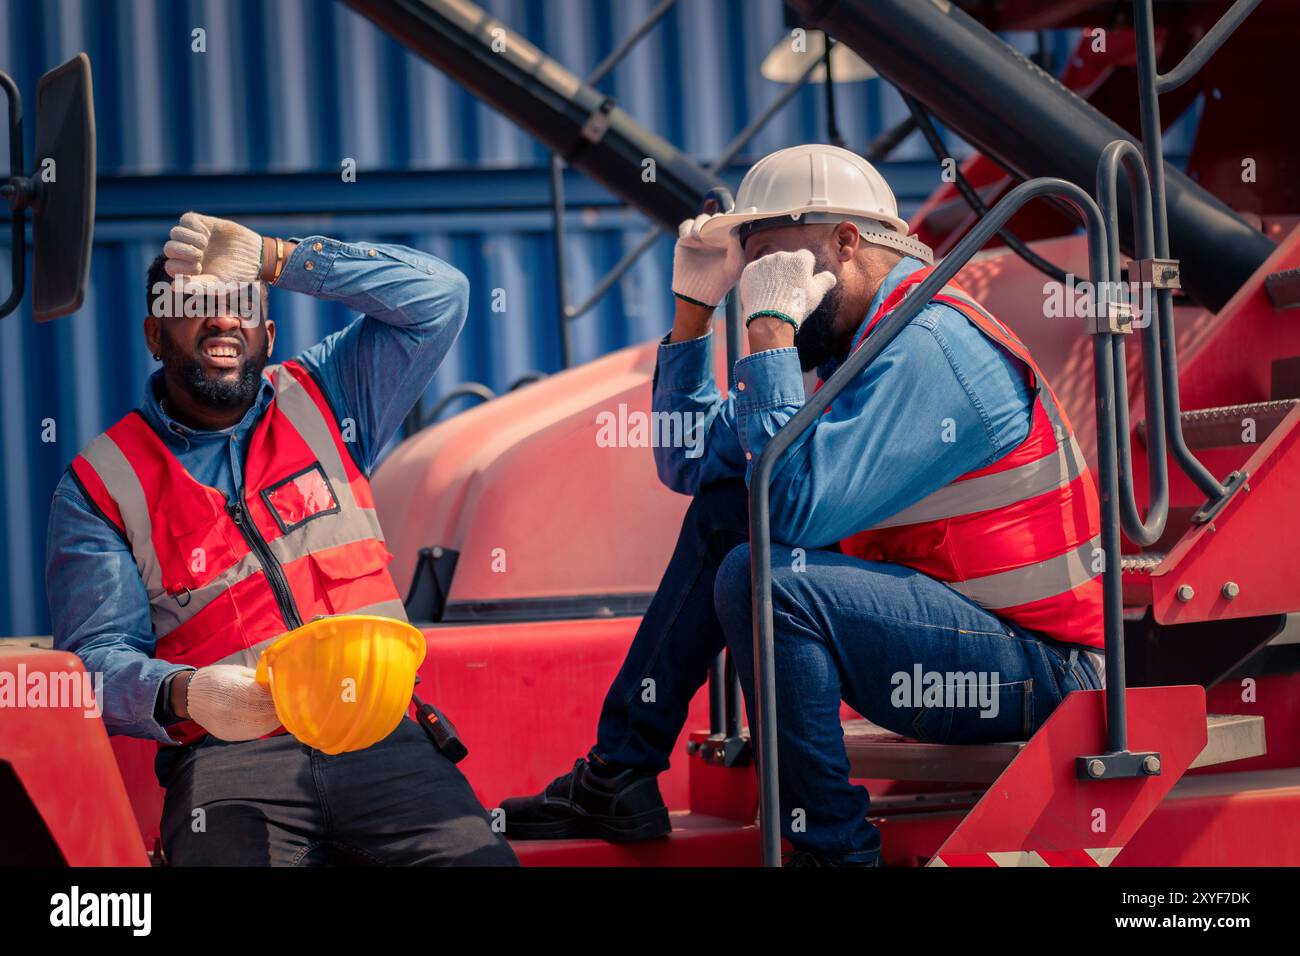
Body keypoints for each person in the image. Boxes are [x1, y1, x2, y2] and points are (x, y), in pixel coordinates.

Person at [501, 145, 1104, 866]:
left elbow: (792, 515)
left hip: (1041, 670)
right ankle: (619, 774)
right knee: (727, 508)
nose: (760, 288)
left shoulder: (933, 344)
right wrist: (695, 314)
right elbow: (694, 462)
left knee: (769, 582)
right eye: (749, 271)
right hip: (955, 633)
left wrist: (768, 334)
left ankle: (834, 855)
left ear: (846, 242)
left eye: (775, 266)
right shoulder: (856, 344)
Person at [47, 212, 517, 866]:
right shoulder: (100, 485)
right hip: (230, 763)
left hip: (381, 738)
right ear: (155, 333)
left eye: (240, 299)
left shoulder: (331, 398)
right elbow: (92, 661)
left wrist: (275, 258)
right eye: (193, 303)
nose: (221, 318)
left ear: (266, 332)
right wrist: (185, 693)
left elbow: (442, 297)